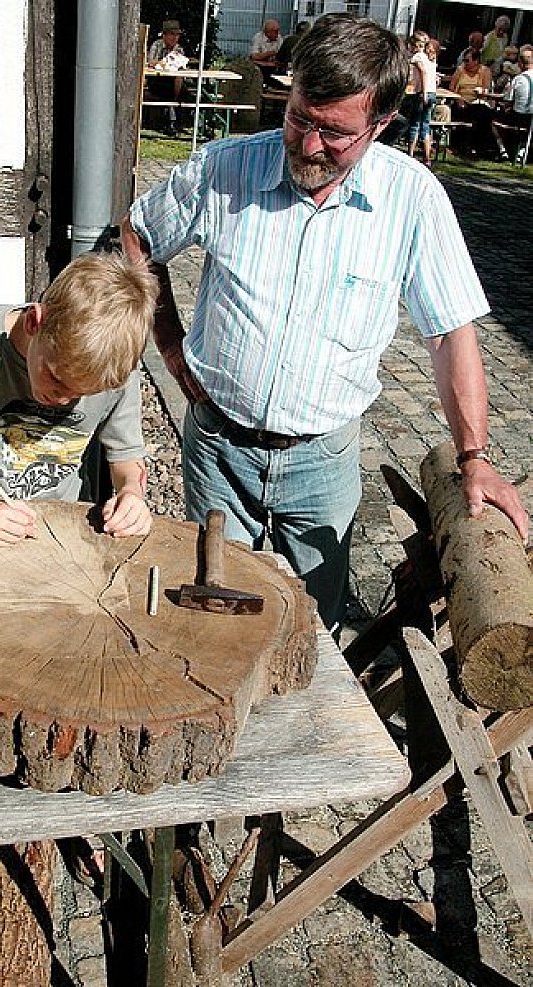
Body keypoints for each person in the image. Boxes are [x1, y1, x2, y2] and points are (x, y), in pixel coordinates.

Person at [121, 13, 528, 633]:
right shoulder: (224, 169)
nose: (310, 145)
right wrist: (170, 344)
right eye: (299, 118)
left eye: (334, 132)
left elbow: (450, 333)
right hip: (218, 446)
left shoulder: (412, 200)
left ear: (381, 123)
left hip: (322, 461)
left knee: (313, 627)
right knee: (211, 623)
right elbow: (139, 235)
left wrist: (473, 454)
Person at [0, 251, 159, 546]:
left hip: (68, 527)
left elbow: (126, 455)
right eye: (56, 378)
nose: (63, 400)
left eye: (83, 393)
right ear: (34, 322)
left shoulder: (114, 362)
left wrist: (132, 494)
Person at [147, 19, 189, 135]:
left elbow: (181, 65)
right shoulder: (157, 45)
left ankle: (174, 122)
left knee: (186, 93)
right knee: (170, 91)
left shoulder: (178, 49)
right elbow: (151, 63)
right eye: (172, 34)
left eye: (177, 35)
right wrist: (164, 63)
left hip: (173, 81)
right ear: (164, 35)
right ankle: (172, 122)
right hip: (157, 80)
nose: (175, 38)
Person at [448, 50, 494, 156]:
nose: (465, 63)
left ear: (476, 61)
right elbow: (452, 88)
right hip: (461, 101)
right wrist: (458, 99)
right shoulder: (460, 70)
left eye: (467, 60)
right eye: (464, 60)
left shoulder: (485, 71)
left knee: (482, 112)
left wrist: (481, 92)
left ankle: (478, 146)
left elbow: (486, 90)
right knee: (463, 111)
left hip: (477, 101)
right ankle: (462, 145)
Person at [492, 45, 533, 164]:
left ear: (520, 64)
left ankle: (503, 151)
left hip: (519, 118)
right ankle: (521, 151)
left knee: (494, 122)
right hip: (531, 118)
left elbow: (508, 99)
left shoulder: (518, 79)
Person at [406, 31, 436, 166]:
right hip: (432, 92)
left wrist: (423, 93)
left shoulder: (417, 57)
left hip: (422, 92)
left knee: (415, 124)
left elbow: (423, 72)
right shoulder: (430, 57)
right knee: (426, 125)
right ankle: (427, 157)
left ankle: (410, 154)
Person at [250, 18, 283, 84]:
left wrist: (263, 56)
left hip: (273, 68)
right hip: (260, 68)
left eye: (278, 31)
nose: (278, 33)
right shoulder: (258, 38)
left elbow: (281, 56)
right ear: (268, 32)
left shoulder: (279, 38)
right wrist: (270, 53)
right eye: (276, 31)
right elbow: (254, 56)